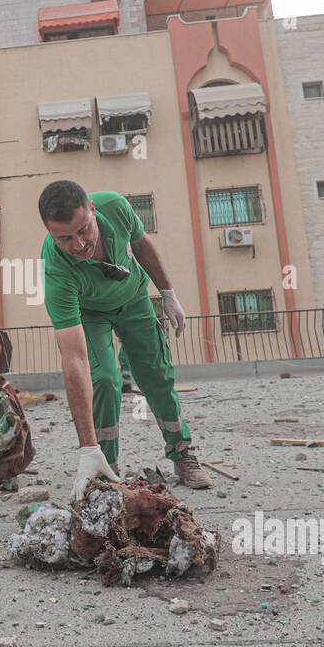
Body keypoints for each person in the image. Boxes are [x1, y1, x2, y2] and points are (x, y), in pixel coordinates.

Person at [36, 180, 212, 497]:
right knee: (103, 379)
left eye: (83, 230)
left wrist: (168, 294)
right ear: (50, 234)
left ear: (91, 209)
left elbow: (142, 245)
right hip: (90, 314)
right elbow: (74, 360)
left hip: (134, 299)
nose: (77, 245)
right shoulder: (55, 271)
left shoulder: (115, 206)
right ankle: (105, 468)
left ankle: (182, 453)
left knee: (156, 375)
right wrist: (86, 447)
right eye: (64, 238)